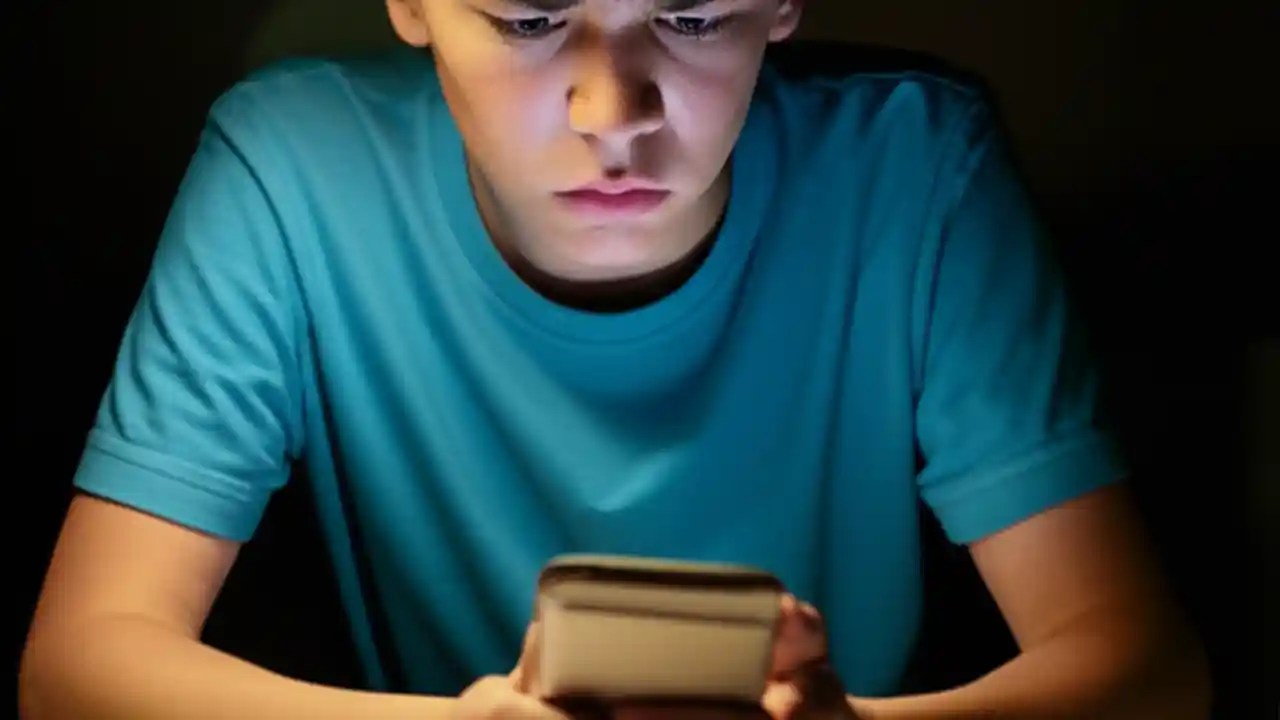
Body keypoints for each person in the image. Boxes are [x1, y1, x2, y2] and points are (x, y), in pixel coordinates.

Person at [19, 1, 1211, 718]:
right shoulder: (290, 170)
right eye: (531, 19)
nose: (612, 108)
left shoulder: (914, 168)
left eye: (688, 17)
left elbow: (1144, 671)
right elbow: (77, 670)